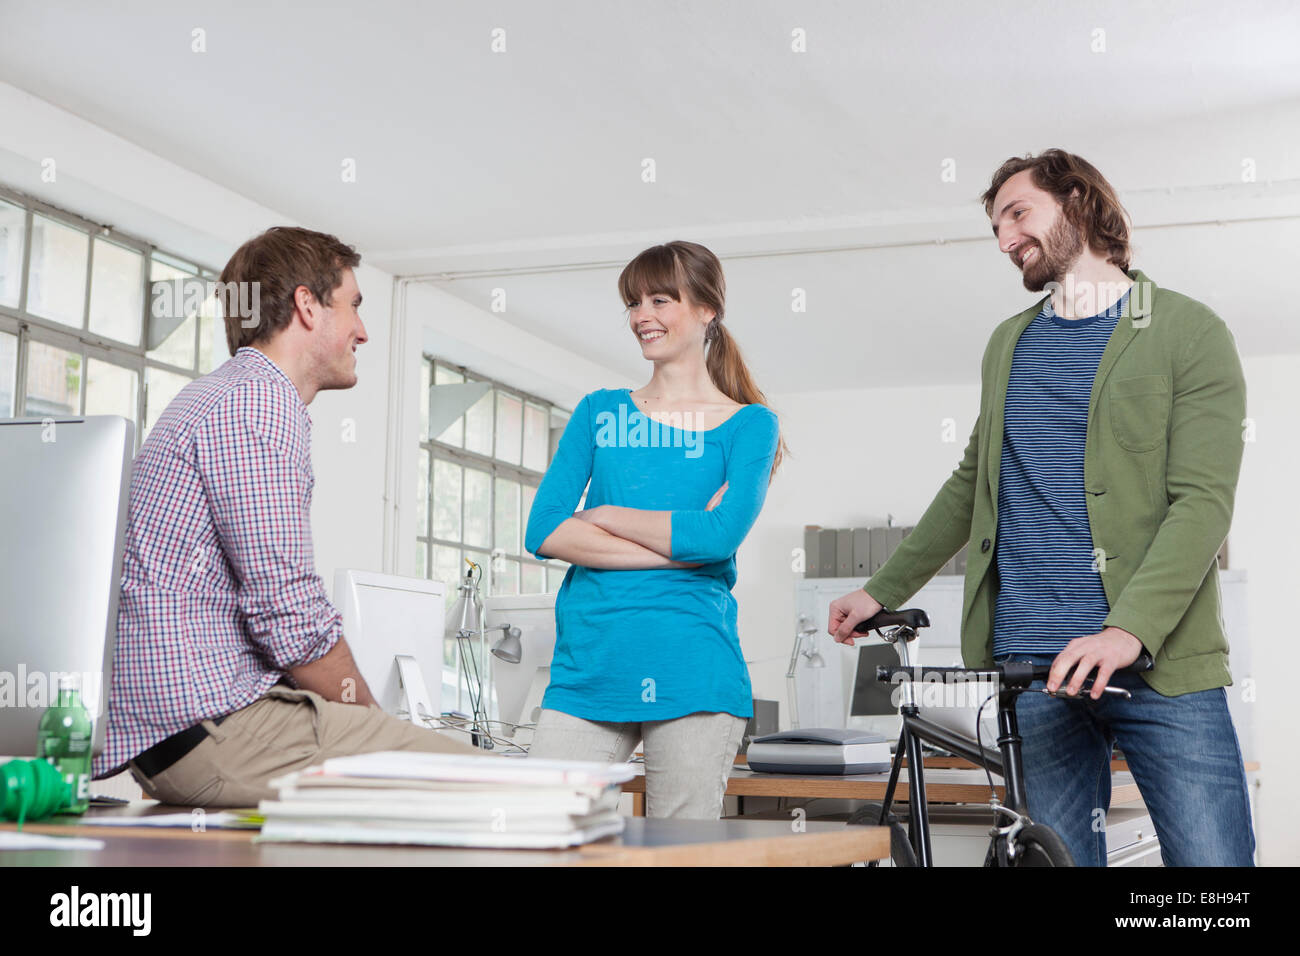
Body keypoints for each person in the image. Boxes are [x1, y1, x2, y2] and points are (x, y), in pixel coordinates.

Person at [827, 149, 1255, 866]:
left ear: (1079, 203)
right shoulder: (1009, 343)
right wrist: (881, 590)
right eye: (995, 226)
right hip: (1034, 669)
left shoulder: (1188, 331)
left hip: (1159, 664)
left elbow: (1202, 505)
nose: (1004, 240)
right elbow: (974, 481)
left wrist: (1126, 632)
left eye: (1018, 214)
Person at [93, 226, 482, 808]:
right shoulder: (258, 401)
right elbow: (289, 611)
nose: (363, 331)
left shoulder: (218, 394)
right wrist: (376, 728)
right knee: (501, 786)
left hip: (180, 736)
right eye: (352, 305)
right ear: (307, 305)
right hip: (217, 730)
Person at [523, 240, 786, 819]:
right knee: (541, 833)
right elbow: (542, 530)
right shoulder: (600, 411)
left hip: (693, 669)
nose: (642, 317)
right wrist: (680, 549)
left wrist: (607, 517)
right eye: (634, 303)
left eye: (660, 300)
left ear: (706, 310)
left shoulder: (750, 426)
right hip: (588, 665)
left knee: (680, 857)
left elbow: (718, 537)